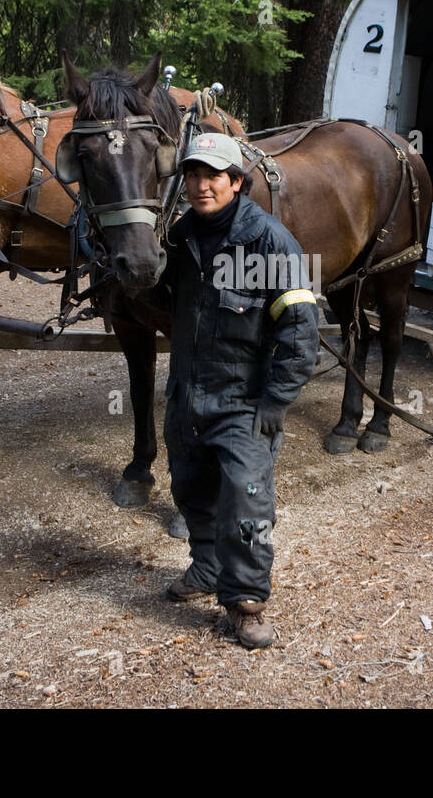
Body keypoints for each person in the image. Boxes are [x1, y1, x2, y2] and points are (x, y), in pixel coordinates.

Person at [158, 132, 320, 649]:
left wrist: (276, 400)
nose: (201, 185)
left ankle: (247, 602)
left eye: (214, 176)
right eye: (193, 175)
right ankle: (206, 569)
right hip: (187, 394)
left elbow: (300, 330)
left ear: (236, 181)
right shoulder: (181, 236)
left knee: (245, 503)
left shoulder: (268, 242)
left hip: (243, 402)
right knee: (191, 487)